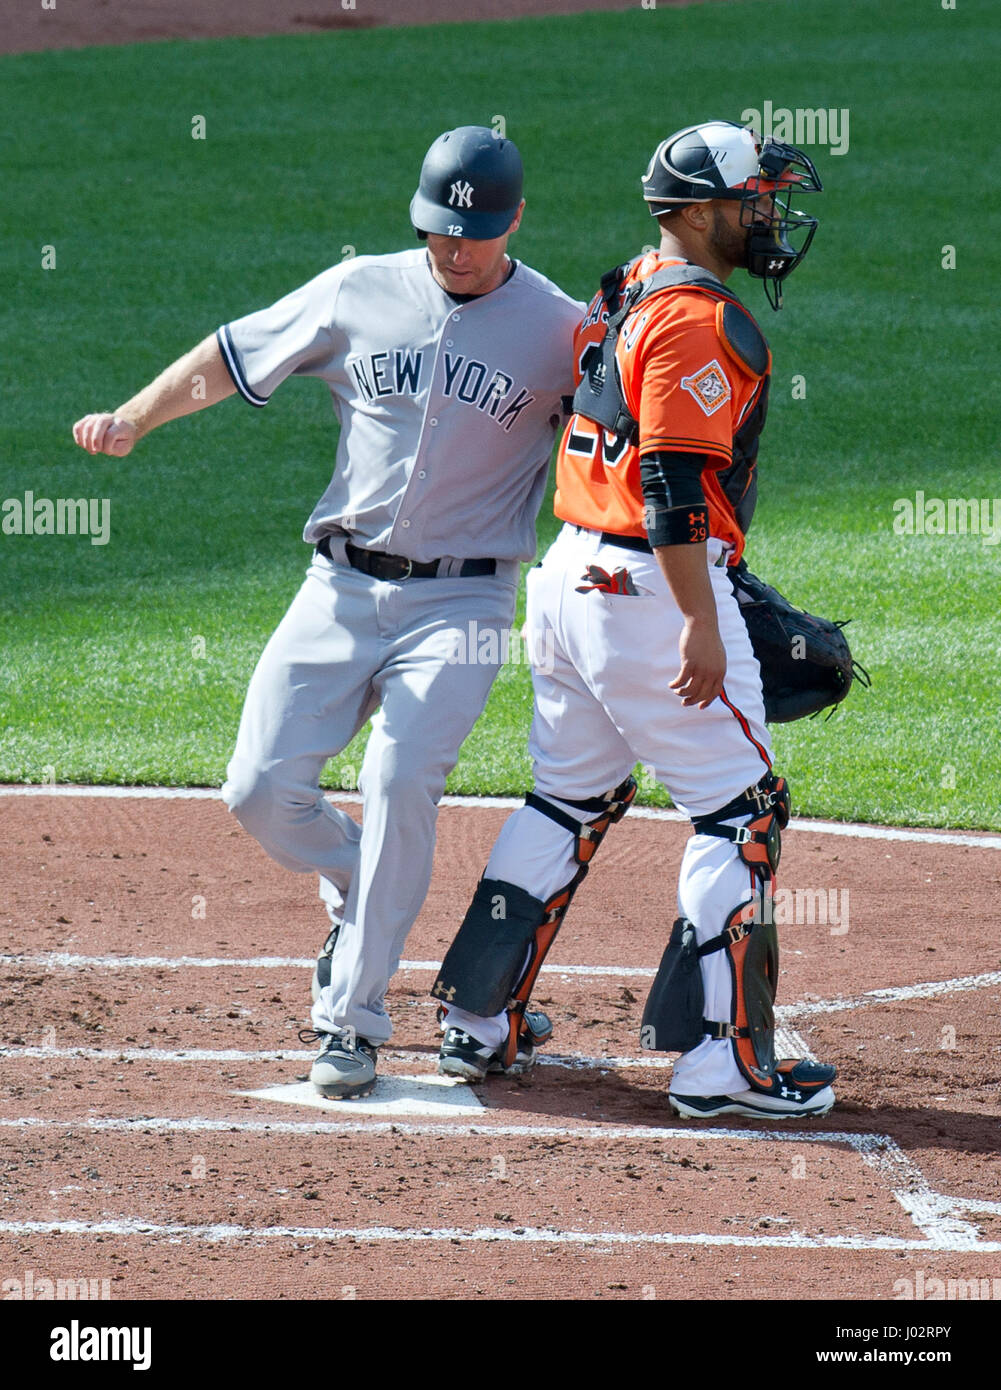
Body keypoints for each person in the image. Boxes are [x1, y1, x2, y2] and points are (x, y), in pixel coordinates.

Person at [72, 125, 583, 1099]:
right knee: (256, 787)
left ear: (513, 220)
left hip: (465, 601)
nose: (454, 250)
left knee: (400, 781)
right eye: (439, 232)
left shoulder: (556, 332)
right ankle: (364, 894)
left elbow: (621, 442)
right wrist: (136, 416)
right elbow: (233, 355)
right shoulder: (359, 290)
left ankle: (349, 1018)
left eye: (473, 234)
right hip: (340, 587)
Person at [431, 120, 838, 1119]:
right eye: (752, 200)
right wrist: (700, 619)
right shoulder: (698, 320)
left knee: (566, 798)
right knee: (738, 811)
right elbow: (668, 479)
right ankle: (721, 1063)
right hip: (648, 588)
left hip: (568, 581)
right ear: (698, 212)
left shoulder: (622, 288)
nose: (766, 216)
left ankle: (480, 1018)